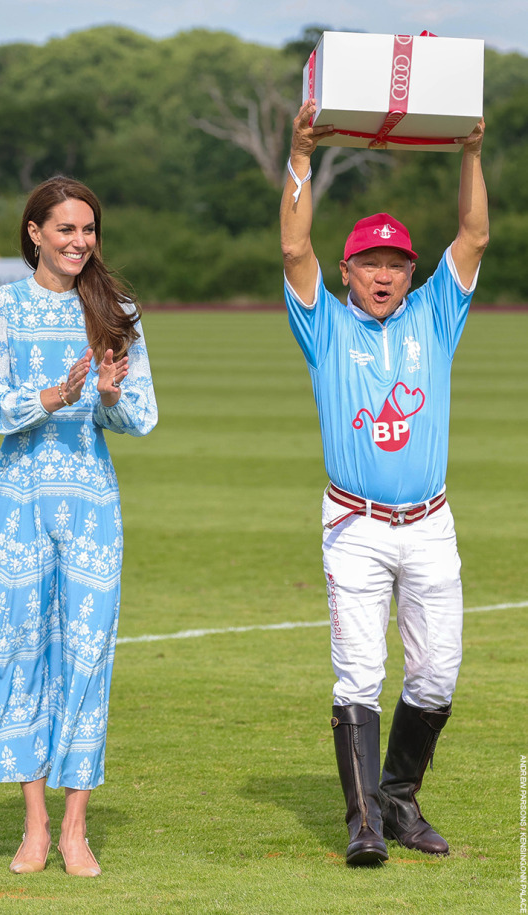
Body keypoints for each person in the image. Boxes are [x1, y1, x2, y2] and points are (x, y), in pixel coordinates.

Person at [0, 176, 157, 877]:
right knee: (25, 652)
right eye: (65, 230)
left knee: (87, 658)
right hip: (18, 500)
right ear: (35, 233)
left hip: (89, 501)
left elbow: (138, 414)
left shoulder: (116, 309)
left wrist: (109, 396)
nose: (79, 242)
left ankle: (75, 829)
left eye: (88, 231)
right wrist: (52, 394)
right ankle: (33, 826)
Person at [280, 100, 488, 866]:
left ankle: (399, 800)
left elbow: (473, 235)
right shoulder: (325, 325)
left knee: (437, 673)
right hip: (356, 524)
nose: (383, 274)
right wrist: (301, 153)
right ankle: (363, 821)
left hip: (430, 522)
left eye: (396, 263)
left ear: (411, 273)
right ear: (348, 271)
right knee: (360, 671)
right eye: (369, 263)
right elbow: (293, 242)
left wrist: (469, 152)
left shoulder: (436, 316)